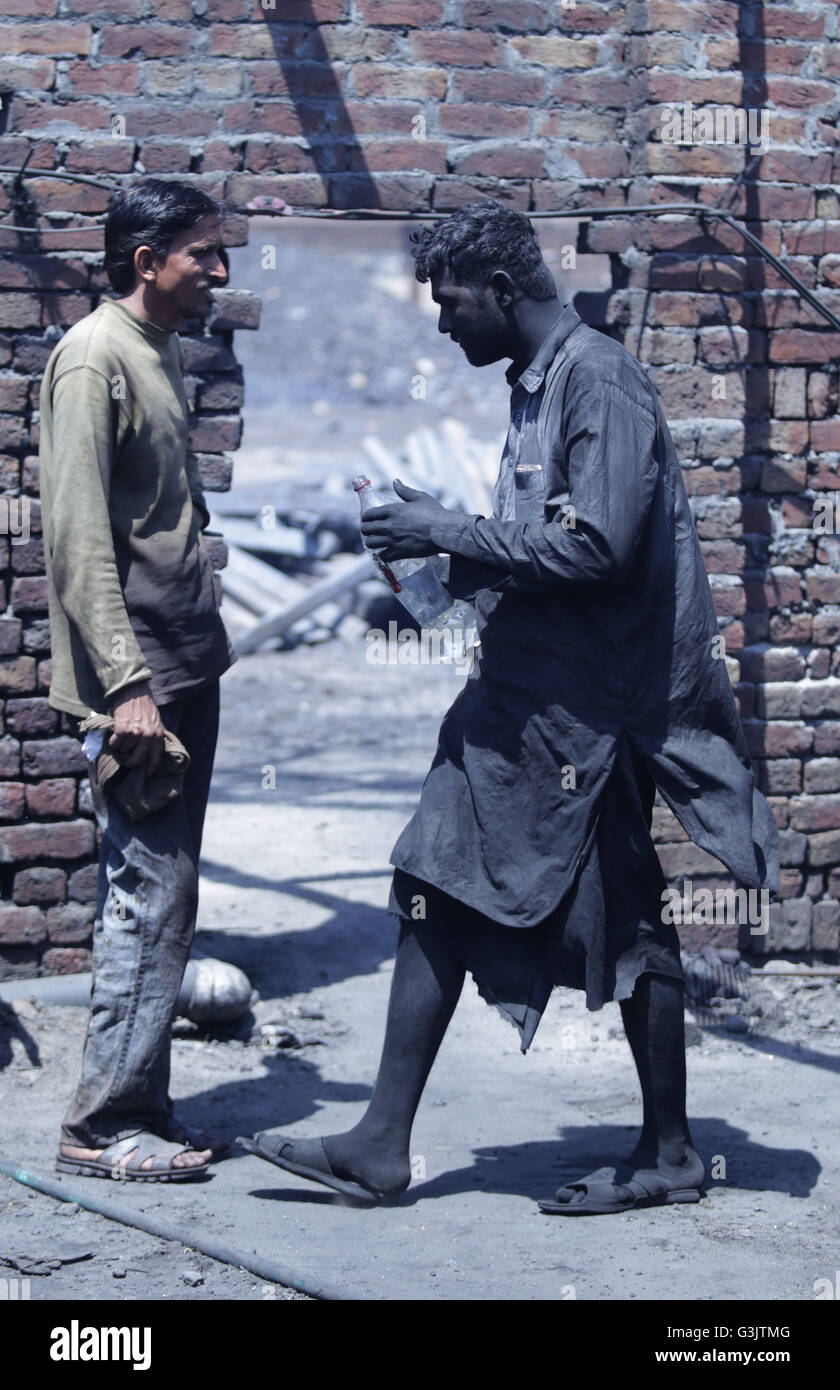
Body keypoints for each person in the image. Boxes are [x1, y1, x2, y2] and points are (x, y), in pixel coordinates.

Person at [240, 200, 779, 1215]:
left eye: (450, 304)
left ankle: (651, 1150)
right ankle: (390, 1140)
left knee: (597, 912)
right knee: (447, 874)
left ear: (500, 289)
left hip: (591, 713)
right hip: (532, 702)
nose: (443, 325)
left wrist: (450, 526)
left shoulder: (599, 380)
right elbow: (548, 545)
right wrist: (442, 559)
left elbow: (600, 548)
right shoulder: (537, 391)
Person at [40, 178, 235, 1181]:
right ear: (145, 258)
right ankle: (97, 1127)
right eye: (202, 251)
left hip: (185, 665)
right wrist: (125, 689)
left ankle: (141, 1104)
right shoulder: (94, 358)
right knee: (143, 892)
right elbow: (76, 541)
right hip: (143, 678)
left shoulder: (155, 353)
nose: (218, 268)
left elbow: (146, 516)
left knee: (169, 894)